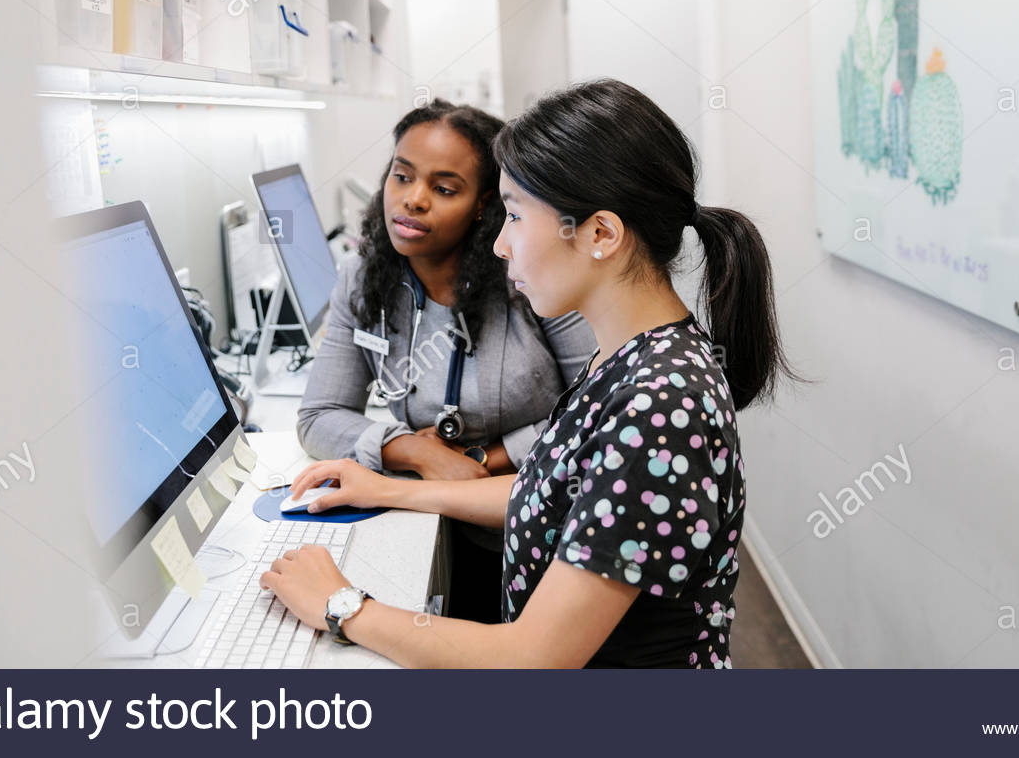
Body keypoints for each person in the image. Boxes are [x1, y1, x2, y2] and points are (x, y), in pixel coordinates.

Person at [265, 78, 799, 667]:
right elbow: (549, 493)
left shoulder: (661, 405)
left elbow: (532, 659)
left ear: (600, 234)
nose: (498, 246)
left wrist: (341, 606)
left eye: (514, 216)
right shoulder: (623, 359)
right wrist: (388, 486)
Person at [296, 98, 595, 623]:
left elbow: (596, 410)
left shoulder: (532, 274)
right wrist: (410, 449)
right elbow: (319, 415)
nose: (412, 200)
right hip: (427, 521)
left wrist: (483, 460)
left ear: (484, 204)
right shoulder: (363, 278)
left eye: (443, 188)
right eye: (401, 176)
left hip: (541, 527)